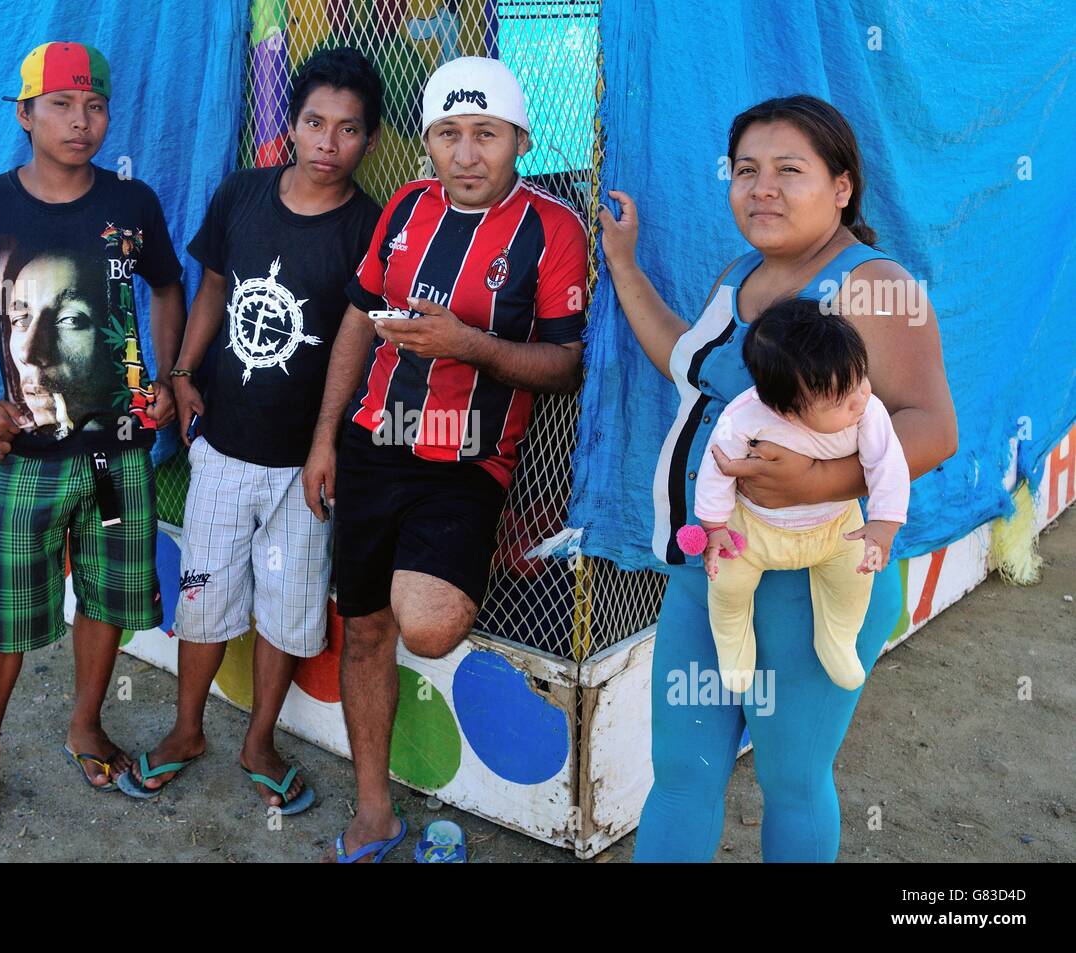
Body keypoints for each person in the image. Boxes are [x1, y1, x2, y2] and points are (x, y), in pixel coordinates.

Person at [598, 94, 956, 862]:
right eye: (746, 170)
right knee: (682, 775)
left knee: (792, 781)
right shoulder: (739, 274)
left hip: (815, 576)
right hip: (715, 565)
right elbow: (687, 364)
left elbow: (932, 425)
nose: (761, 187)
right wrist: (623, 265)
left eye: (788, 170)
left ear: (842, 187)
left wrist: (816, 482)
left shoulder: (874, 284)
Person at [303, 56, 589, 862]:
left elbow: (569, 367)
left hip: (469, 459)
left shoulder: (553, 227)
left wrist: (468, 345)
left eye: (486, 135)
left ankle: (478, 551)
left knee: (424, 627)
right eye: (449, 135)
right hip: (372, 443)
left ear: (519, 141)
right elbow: (359, 319)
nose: (467, 154)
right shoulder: (403, 207)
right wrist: (326, 436)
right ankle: (372, 810)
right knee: (362, 630)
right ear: (427, 142)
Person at [0, 42, 186, 838]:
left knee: (110, 597)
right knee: (4, 614)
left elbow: (168, 284)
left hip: (118, 455)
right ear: (24, 115)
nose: (80, 121)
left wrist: (168, 373)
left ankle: (86, 724)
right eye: (60, 105)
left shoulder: (134, 205)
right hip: (29, 456)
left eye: (93, 105)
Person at [117, 49, 383, 814]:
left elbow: (355, 346)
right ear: (290, 127)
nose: (329, 143)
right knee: (201, 594)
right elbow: (214, 290)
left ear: (369, 139)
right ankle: (186, 728)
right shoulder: (241, 193)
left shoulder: (370, 226)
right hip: (224, 447)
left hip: (306, 465)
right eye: (314, 123)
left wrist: (329, 444)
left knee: (289, 607)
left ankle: (259, 738)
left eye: (349, 129)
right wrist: (182, 372)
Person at [681, 298, 910, 693]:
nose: (861, 398)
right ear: (785, 410)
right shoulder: (744, 419)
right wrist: (714, 527)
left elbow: (888, 464)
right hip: (755, 530)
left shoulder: (866, 410)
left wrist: (883, 524)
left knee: (856, 580)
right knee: (728, 585)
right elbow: (718, 470)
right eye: (841, 398)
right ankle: (733, 641)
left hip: (837, 526)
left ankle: (837, 638)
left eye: (861, 378)